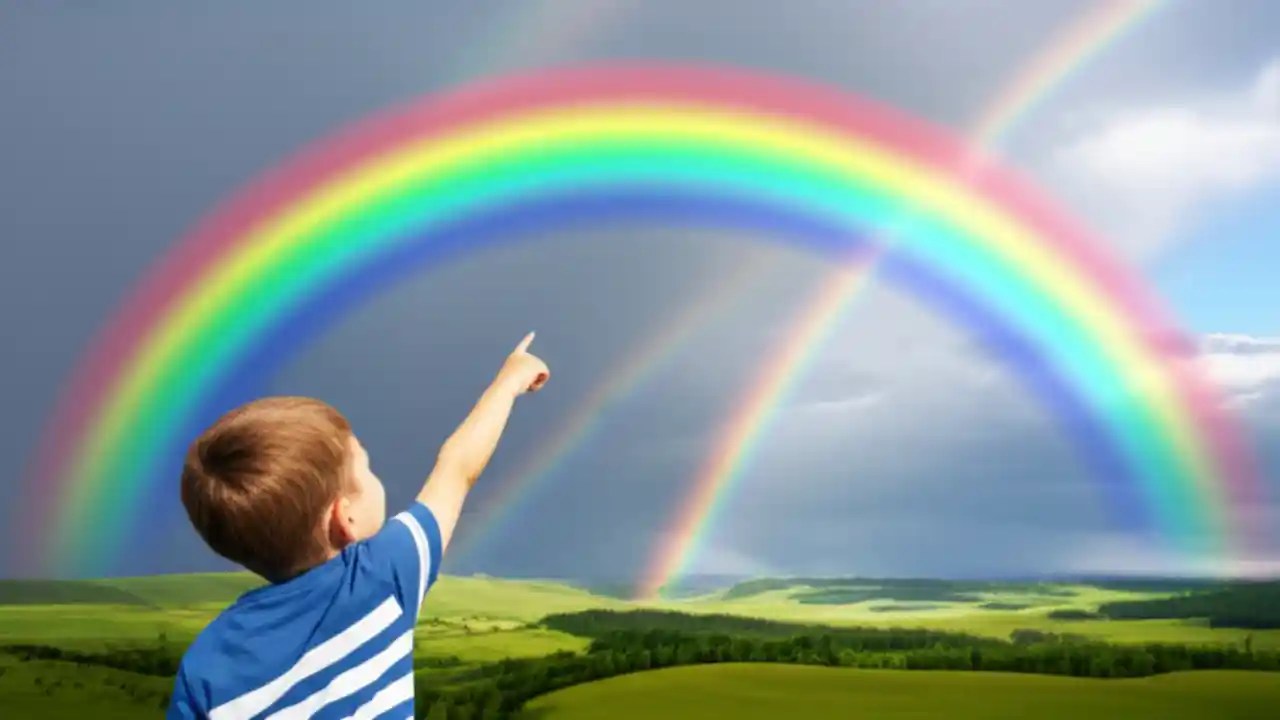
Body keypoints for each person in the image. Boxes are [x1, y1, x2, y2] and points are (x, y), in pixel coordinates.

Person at [167, 333, 550, 719]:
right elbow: (457, 468)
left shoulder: (205, 668)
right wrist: (508, 383)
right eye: (366, 467)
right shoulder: (381, 577)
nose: (375, 476)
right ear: (344, 517)